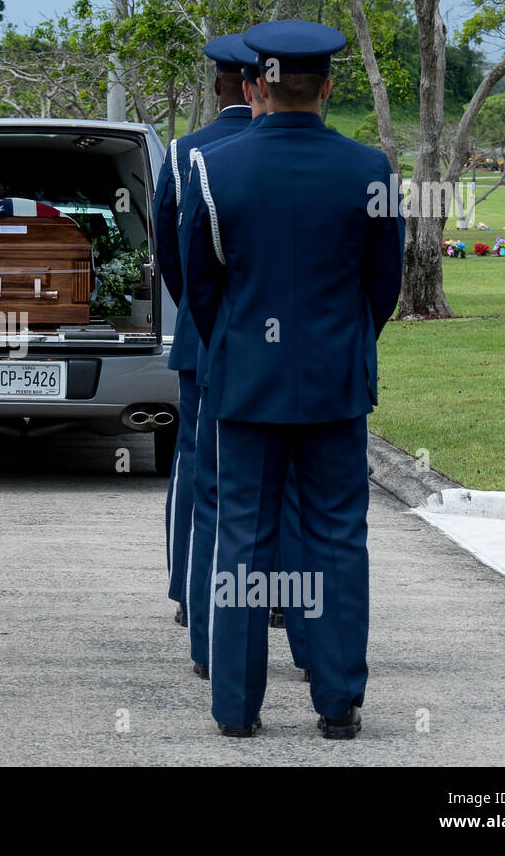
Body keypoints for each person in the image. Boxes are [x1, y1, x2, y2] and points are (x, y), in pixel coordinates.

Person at [182, 19, 404, 739]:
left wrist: (241, 349)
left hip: (246, 380)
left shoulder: (215, 169)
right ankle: (338, 702)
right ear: (328, 87)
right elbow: (383, 285)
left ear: (260, 85)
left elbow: (201, 284)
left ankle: (236, 707)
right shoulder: (370, 169)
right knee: (339, 534)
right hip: (335, 380)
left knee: (241, 538)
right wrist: (340, 344)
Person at [180, 39, 309, 683]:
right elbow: (378, 285)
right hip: (318, 368)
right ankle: (313, 650)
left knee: (220, 503)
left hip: (226, 353)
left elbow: (186, 267)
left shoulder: (194, 155)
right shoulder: (360, 164)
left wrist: (218, 334)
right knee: (311, 514)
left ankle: (213, 643)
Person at [153, 35, 253, 629]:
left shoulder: (187, 151)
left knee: (197, 464)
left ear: (221, 85)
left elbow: (171, 249)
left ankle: (193, 592)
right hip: (275, 344)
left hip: (203, 334)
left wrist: (194, 310)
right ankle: (271, 596)